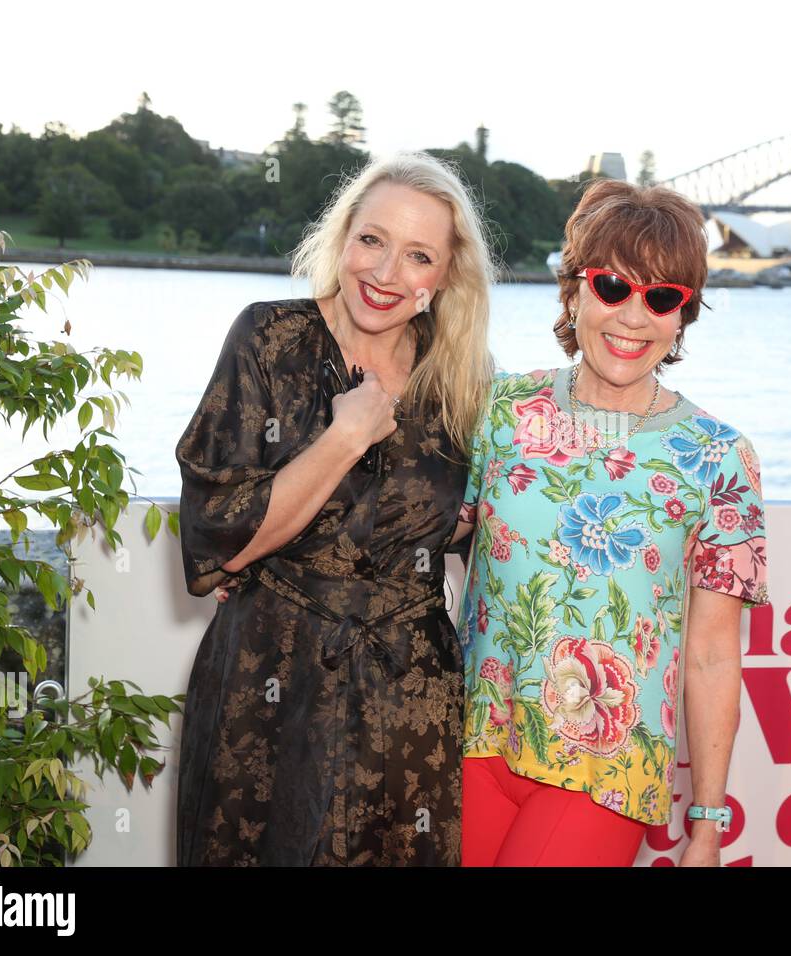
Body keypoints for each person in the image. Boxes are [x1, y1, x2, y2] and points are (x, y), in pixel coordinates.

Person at [175, 151, 493, 866]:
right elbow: (219, 535)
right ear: (343, 236)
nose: (384, 274)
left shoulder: (466, 381)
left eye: (418, 255)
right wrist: (345, 436)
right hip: (266, 686)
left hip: (409, 697)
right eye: (372, 240)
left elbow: (483, 525)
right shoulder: (266, 339)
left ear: (445, 276)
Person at [453, 179, 770, 866]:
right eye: (612, 286)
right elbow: (414, 531)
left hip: (607, 771)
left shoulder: (718, 458)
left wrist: (707, 826)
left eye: (662, 298)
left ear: (682, 316)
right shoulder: (501, 409)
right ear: (574, 291)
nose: (633, 316)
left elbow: (713, 654)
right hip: (472, 743)